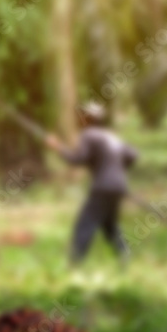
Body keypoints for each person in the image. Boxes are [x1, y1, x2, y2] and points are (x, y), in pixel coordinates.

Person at [45, 102, 137, 264]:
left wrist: (57, 147)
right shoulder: (111, 136)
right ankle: (124, 256)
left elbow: (77, 159)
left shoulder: (89, 135)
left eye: (82, 117)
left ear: (87, 119)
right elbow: (132, 156)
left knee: (85, 224)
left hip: (103, 187)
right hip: (119, 186)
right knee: (110, 226)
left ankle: (75, 264)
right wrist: (115, 170)